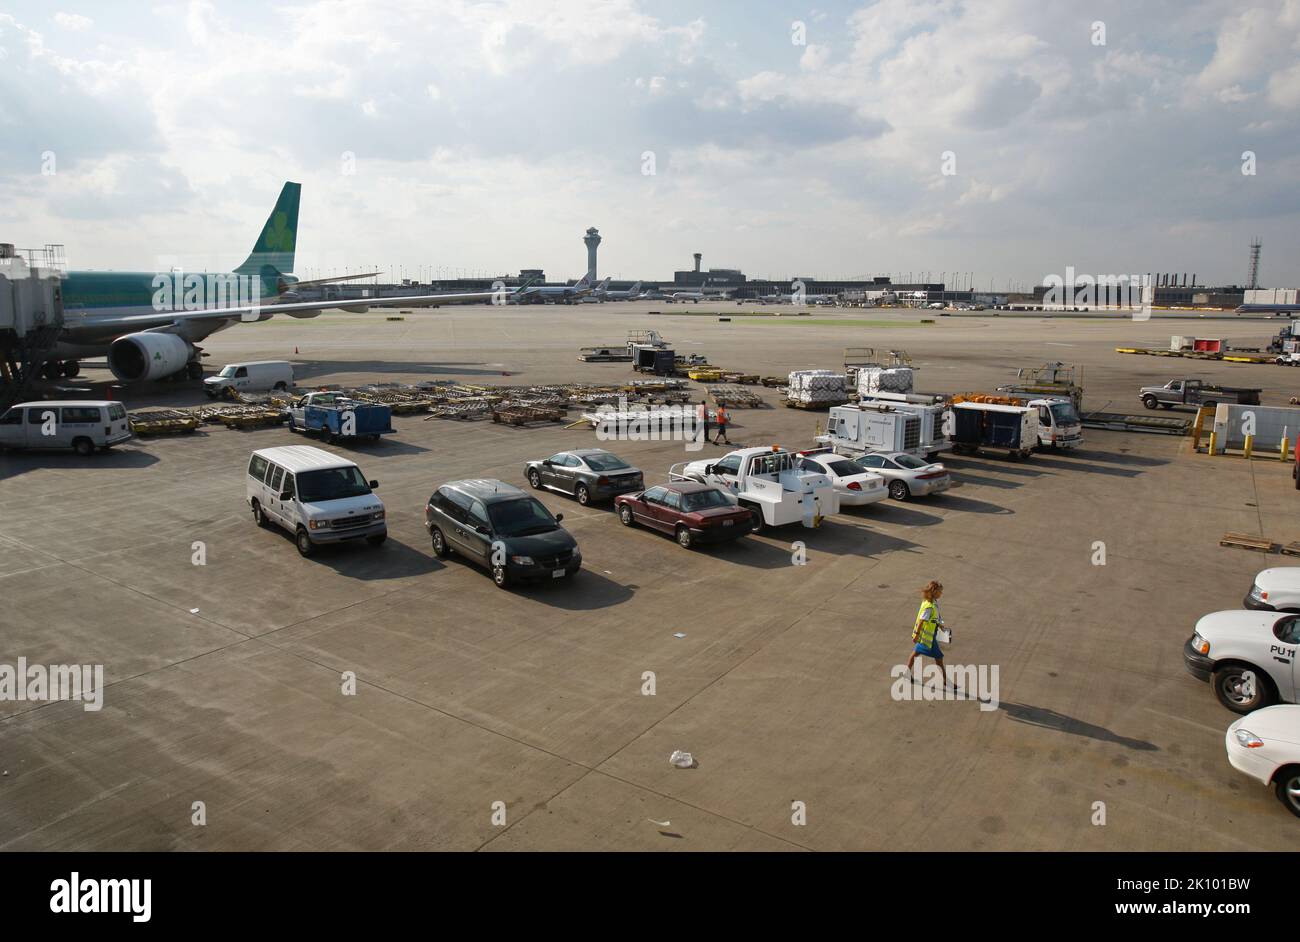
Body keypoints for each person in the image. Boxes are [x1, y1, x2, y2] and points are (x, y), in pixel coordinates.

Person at [907, 580, 951, 688]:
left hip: (927, 636)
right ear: (934, 591)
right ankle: (946, 681)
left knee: (916, 653)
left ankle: (907, 673)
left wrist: (940, 624)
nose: (941, 593)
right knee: (939, 658)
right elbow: (922, 621)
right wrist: (917, 634)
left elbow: (934, 617)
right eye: (940, 591)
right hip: (927, 638)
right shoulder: (929, 606)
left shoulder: (931, 602)